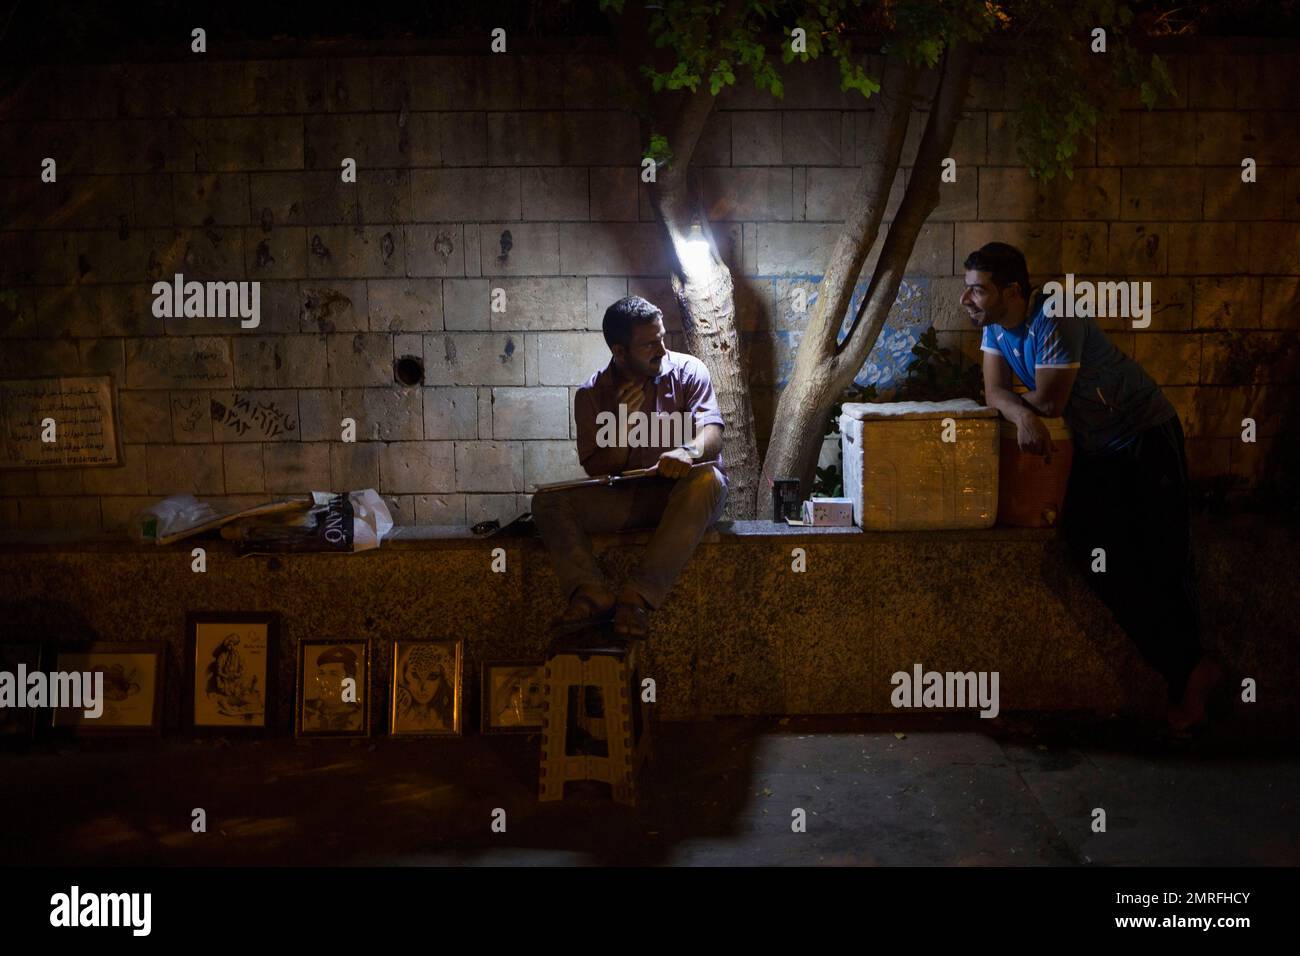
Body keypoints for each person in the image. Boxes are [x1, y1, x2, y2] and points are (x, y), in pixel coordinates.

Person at [961, 242, 1223, 732]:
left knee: (1164, 556)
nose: (967, 300)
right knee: (1091, 549)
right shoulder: (995, 326)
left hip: (1146, 437)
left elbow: (1052, 401)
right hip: (1100, 450)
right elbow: (995, 391)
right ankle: (1188, 667)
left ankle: (1189, 677)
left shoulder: (1056, 310)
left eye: (978, 290)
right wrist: (1019, 413)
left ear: (1013, 291)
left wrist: (1025, 407)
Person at [530, 296, 728, 640]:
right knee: (548, 501)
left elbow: (713, 432)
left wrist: (687, 451)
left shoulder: (688, 371)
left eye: (662, 338)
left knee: (707, 481)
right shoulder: (591, 394)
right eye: (650, 344)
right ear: (620, 352)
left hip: (685, 498)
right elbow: (596, 468)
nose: (662, 350)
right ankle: (591, 592)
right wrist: (624, 426)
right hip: (632, 498)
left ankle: (636, 597)